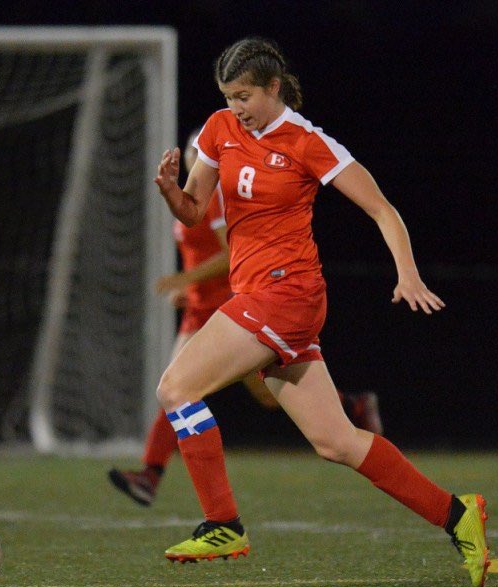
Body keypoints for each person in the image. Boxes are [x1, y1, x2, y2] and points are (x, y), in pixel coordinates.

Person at [151, 38, 489, 587]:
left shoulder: (307, 141)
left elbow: (382, 208)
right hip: (267, 298)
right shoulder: (219, 129)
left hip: (286, 296)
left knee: (176, 387)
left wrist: (406, 272)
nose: (237, 106)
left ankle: (222, 523)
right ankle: (458, 515)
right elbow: (193, 213)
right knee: (336, 442)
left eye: (246, 96)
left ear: (274, 88)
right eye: (229, 96)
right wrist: (170, 191)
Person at [109, 129, 383, 507]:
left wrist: (185, 279)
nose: (196, 157)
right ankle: (351, 405)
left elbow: (227, 255)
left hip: (231, 305)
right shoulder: (196, 195)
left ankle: (165, 483)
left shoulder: (221, 193)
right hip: (200, 307)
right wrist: (188, 289)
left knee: (179, 388)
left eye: (199, 151)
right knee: (211, 391)